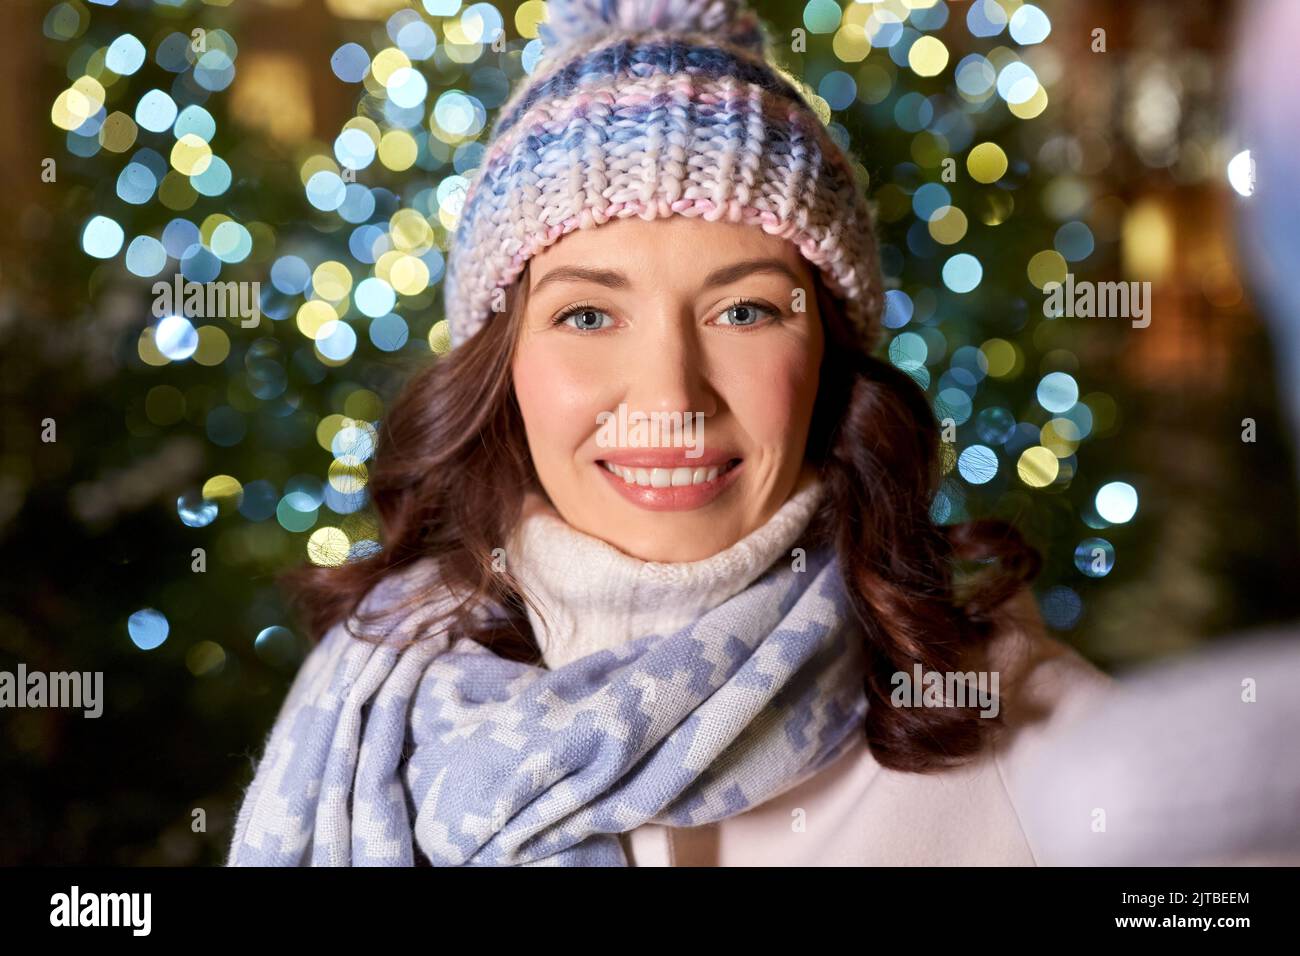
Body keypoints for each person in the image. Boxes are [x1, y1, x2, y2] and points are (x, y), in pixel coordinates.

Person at [225, 0, 1111, 867]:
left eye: (745, 310)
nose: (670, 394)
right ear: (504, 364)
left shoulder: (1040, 749)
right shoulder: (374, 703)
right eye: (586, 315)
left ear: (828, 357)